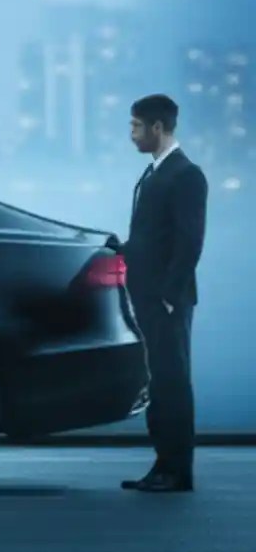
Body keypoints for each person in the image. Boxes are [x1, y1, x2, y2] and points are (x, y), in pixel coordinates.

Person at [119, 93, 208, 493]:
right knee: (160, 380)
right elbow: (152, 236)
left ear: (157, 127)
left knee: (172, 381)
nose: (132, 133)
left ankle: (176, 471)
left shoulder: (186, 174)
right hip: (150, 296)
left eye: (136, 126)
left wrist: (170, 295)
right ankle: (164, 465)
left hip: (165, 300)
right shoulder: (155, 172)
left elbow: (190, 241)